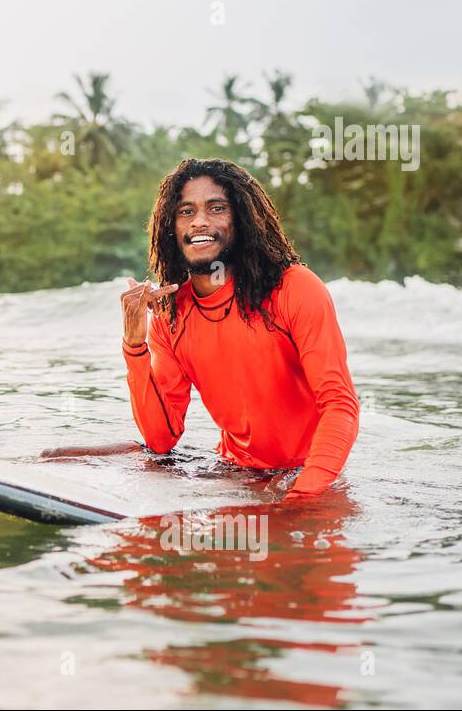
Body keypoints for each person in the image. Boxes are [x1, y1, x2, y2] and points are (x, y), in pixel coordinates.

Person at [120, 157, 359, 498]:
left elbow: (339, 405)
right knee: (76, 461)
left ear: (242, 219)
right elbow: (161, 440)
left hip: (308, 478)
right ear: (170, 228)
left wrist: (301, 499)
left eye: (216, 208)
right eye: (186, 211)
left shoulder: (294, 289)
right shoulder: (171, 315)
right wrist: (134, 345)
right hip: (232, 478)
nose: (199, 221)